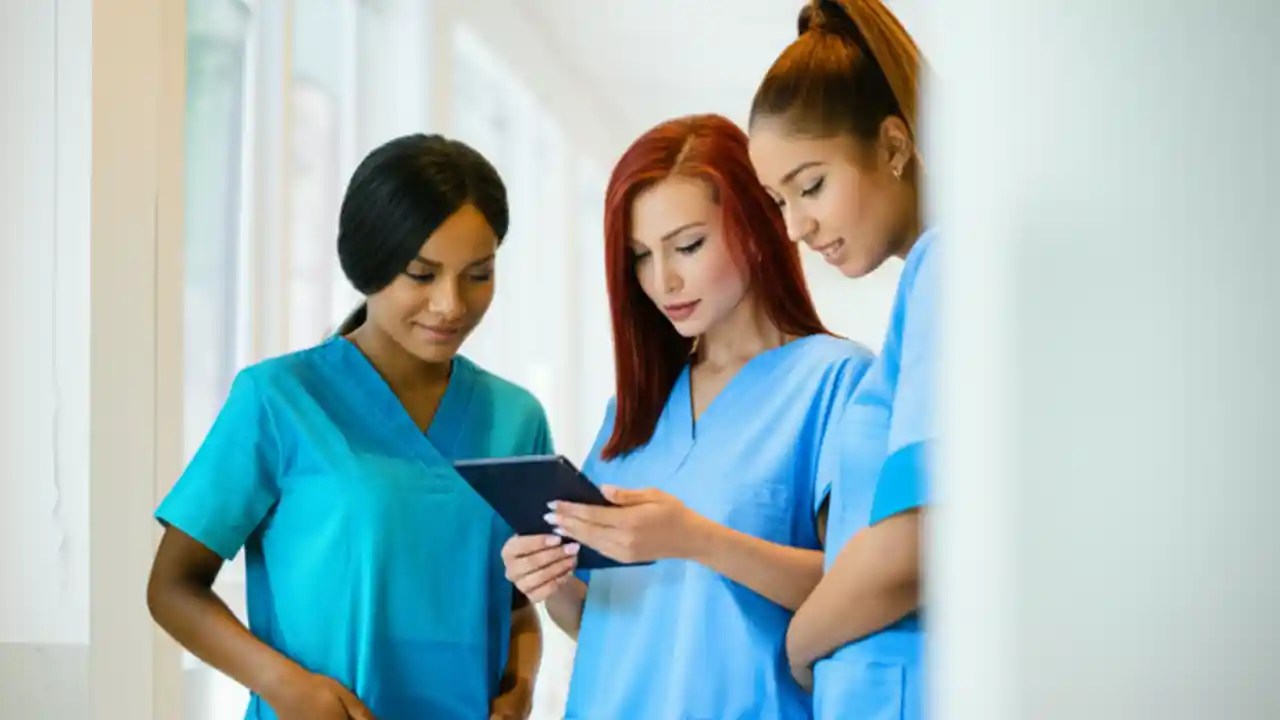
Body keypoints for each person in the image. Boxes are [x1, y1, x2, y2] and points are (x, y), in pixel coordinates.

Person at [147, 134, 549, 720]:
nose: (451, 305)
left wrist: (521, 690)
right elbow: (174, 588)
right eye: (421, 274)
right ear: (368, 263)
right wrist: (285, 686)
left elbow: (514, 604)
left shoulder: (517, 420)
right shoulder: (278, 400)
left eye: (478, 274)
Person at [501, 114, 874, 719]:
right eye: (642, 256)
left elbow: (859, 593)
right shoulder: (631, 412)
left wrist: (696, 540)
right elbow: (610, 621)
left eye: (689, 245)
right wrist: (550, 583)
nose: (662, 280)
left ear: (758, 227)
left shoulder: (836, 381)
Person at [747, 1, 936, 718]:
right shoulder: (921, 295)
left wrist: (801, 643)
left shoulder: (945, 267)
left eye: (811, 185)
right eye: (779, 200)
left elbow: (917, 544)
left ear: (893, 145)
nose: (796, 226)